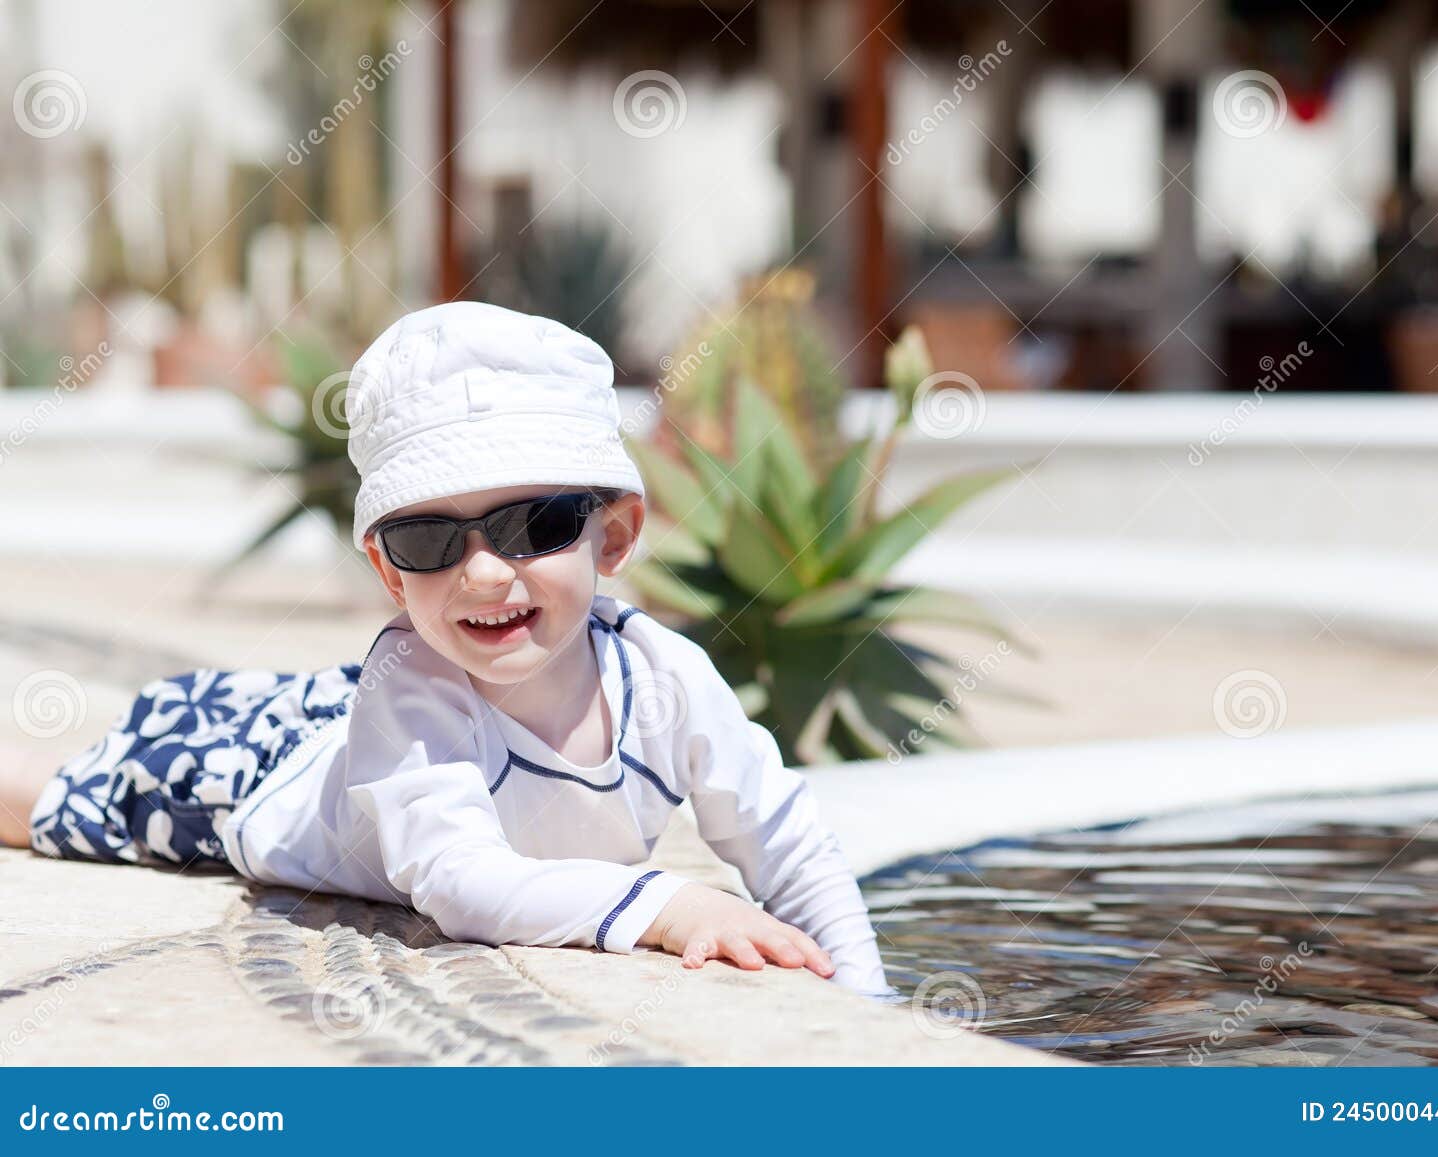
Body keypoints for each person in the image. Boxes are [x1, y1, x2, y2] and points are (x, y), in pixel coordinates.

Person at [0, 302, 888, 995]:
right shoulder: (412, 687)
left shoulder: (666, 680)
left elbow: (790, 840)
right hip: (261, 773)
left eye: (536, 523)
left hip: (350, 721)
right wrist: (662, 902)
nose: (486, 574)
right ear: (390, 574)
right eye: (431, 540)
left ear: (612, 537)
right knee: (71, 791)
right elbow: (464, 885)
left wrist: (866, 995)